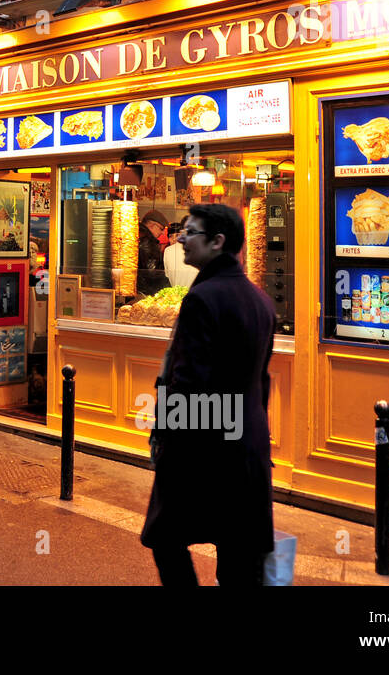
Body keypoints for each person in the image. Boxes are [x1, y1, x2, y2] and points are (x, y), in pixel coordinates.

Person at [140, 203, 276, 587]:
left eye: (191, 231)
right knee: (240, 553)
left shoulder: (203, 299)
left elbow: (188, 382)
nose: (181, 237)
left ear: (218, 241)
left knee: (165, 537)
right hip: (247, 443)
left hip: (202, 447)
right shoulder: (260, 299)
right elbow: (260, 380)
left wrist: (167, 439)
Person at [137, 210, 170, 296]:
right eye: (161, 229)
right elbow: (153, 274)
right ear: (151, 225)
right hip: (145, 293)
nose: (163, 233)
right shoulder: (148, 242)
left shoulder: (134, 234)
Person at [163, 222, 199, 289]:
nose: (174, 239)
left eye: (177, 235)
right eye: (170, 236)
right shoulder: (167, 251)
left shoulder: (168, 251)